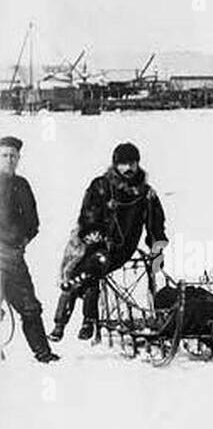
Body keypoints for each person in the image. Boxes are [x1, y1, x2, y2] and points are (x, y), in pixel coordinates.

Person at [51, 141, 168, 341]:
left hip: (122, 249)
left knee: (90, 271)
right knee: (94, 267)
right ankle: (73, 322)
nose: (129, 168)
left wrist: (157, 250)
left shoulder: (146, 194)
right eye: (123, 164)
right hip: (91, 245)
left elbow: (155, 226)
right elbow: (88, 216)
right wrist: (96, 237)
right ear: (115, 165)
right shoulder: (101, 186)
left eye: (132, 163)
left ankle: (77, 319)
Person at [0, 136, 58, 362]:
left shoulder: (22, 185)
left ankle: (43, 353)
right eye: (4, 155)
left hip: (13, 257)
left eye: (13, 156)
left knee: (30, 307)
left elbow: (33, 223)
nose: (9, 160)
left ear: (19, 159)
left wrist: (21, 242)